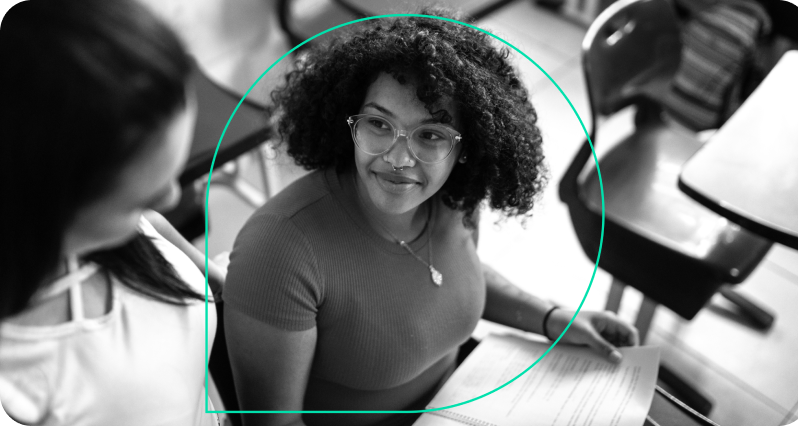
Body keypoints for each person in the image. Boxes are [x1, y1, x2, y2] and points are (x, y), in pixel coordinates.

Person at [223, 9, 639, 426]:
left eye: (431, 135)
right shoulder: (279, 250)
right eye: (378, 123)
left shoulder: (455, 196)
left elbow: (450, 275)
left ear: (466, 146)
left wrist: (551, 318)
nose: (398, 158)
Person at [0, 0, 226, 424]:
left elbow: (149, 228)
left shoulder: (111, 228)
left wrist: (213, 277)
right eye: (139, 199)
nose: (173, 199)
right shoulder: (20, 382)